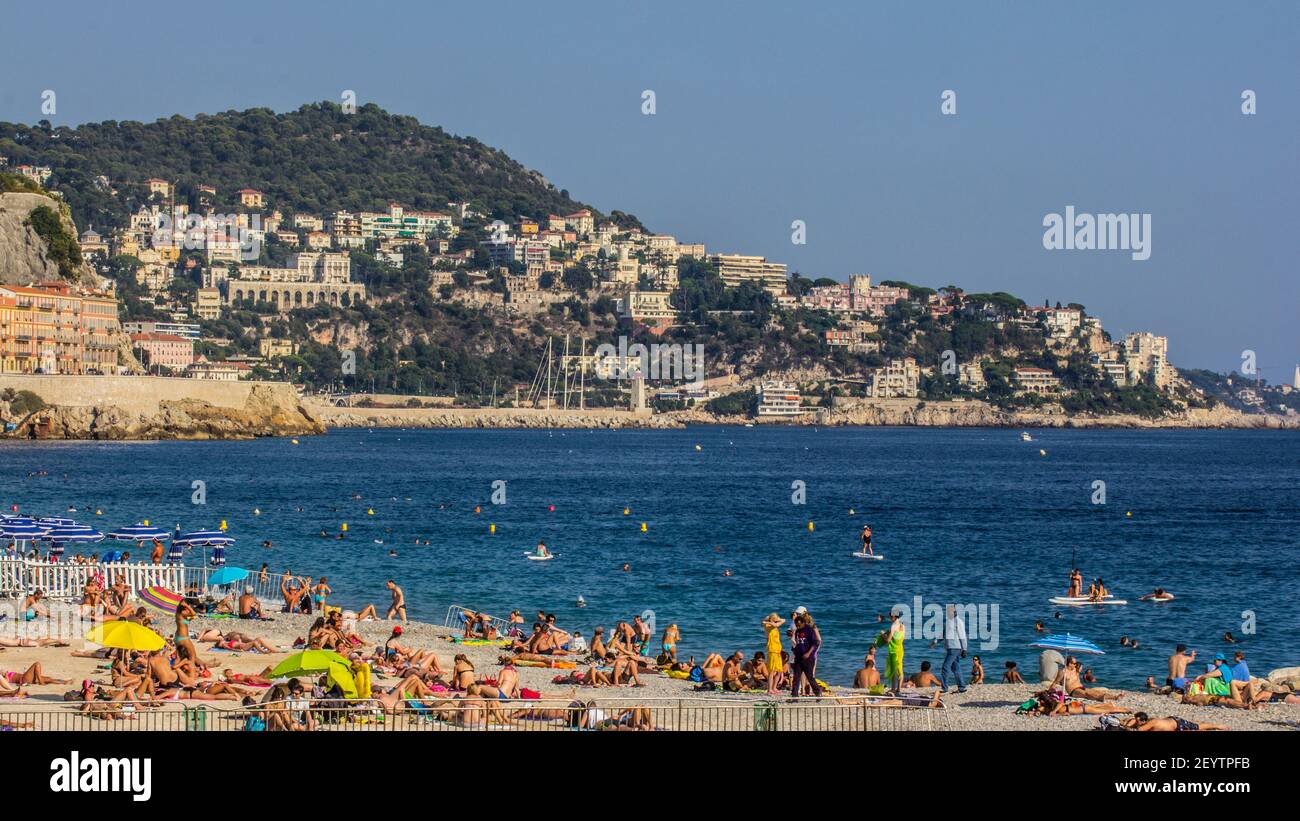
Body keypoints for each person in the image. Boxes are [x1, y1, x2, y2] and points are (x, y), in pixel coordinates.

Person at [789, 612, 823, 698]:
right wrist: (794, 650)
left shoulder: (809, 630)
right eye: (796, 625)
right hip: (799, 657)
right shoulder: (797, 631)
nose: (798, 627)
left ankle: (818, 691)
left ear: (803, 623)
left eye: (799, 625)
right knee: (796, 677)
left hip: (808, 658)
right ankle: (794, 695)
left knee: (810, 677)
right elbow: (797, 643)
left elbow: (816, 642)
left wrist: (808, 653)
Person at [940, 604, 968, 693]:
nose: (948, 613)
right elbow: (943, 634)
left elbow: (962, 636)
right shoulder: (948, 621)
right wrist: (935, 642)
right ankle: (962, 687)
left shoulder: (958, 622)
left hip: (955, 648)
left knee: (945, 667)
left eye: (950, 611)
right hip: (950, 648)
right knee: (956, 668)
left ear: (954, 612)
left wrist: (964, 649)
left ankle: (944, 688)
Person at [875, 610, 905, 693]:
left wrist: (883, 635)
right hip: (900, 650)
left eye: (891, 617)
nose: (890, 618)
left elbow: (888, 640)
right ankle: (899, 689)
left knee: (893, 670)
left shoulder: (893, 626)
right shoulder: (902, 625)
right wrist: (883, 618)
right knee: (900, 669)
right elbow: (898, 636)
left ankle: (893, 689)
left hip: (893, 651)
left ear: (894, 617)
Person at [1124, 712, 1229, 732]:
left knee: (1197, 727)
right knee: (1195, 726)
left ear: (1143, 720)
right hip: (1172, 722)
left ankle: (1218, 726)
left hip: (1176, 724)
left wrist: (1127, 727)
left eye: (1138, 721)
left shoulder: (1150, 723)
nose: (1137, 723)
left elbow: (1139, 730)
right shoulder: (1151, 721)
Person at [762, 613, 786, 695]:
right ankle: (770, 689)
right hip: (772, 651)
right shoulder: (768, 627)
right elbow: (765, 623)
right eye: (775, 619)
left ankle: (774, 687)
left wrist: (775, 621)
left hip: (778, 651)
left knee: (779, 671)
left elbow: (783, 620)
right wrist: (770, 622)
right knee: (771, 671)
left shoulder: (774, 625)